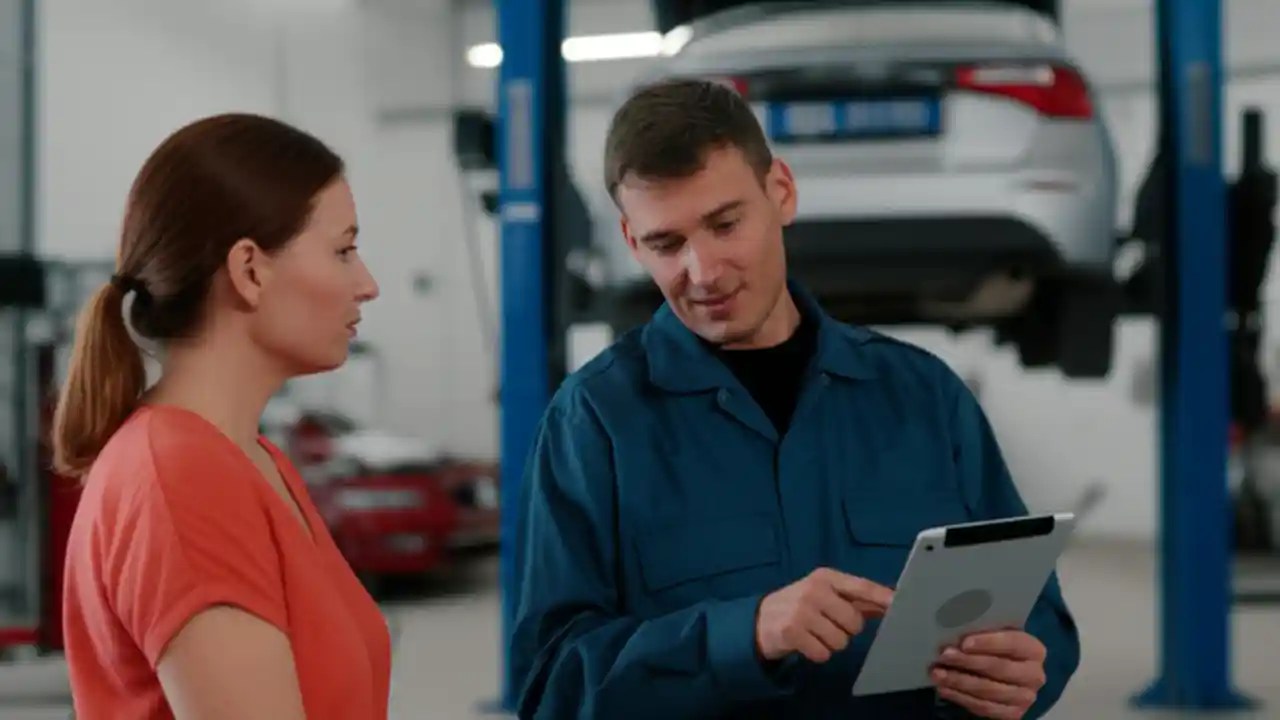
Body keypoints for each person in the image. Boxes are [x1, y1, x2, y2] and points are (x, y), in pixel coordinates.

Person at [508, 79, 1080, 719]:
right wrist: (744, 633)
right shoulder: (594, 423)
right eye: (667, 244)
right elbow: (550, 687)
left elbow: (1038, 615)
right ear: (632, 241)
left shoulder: (922, 397)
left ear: (780, 191)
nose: (704, 272)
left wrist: (1030, 666)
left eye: (725, 225)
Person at [54, 113, 387, 720]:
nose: (367, 284)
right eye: (343, 251)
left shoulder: (250, 460)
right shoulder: (183, 480)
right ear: (249, 270)